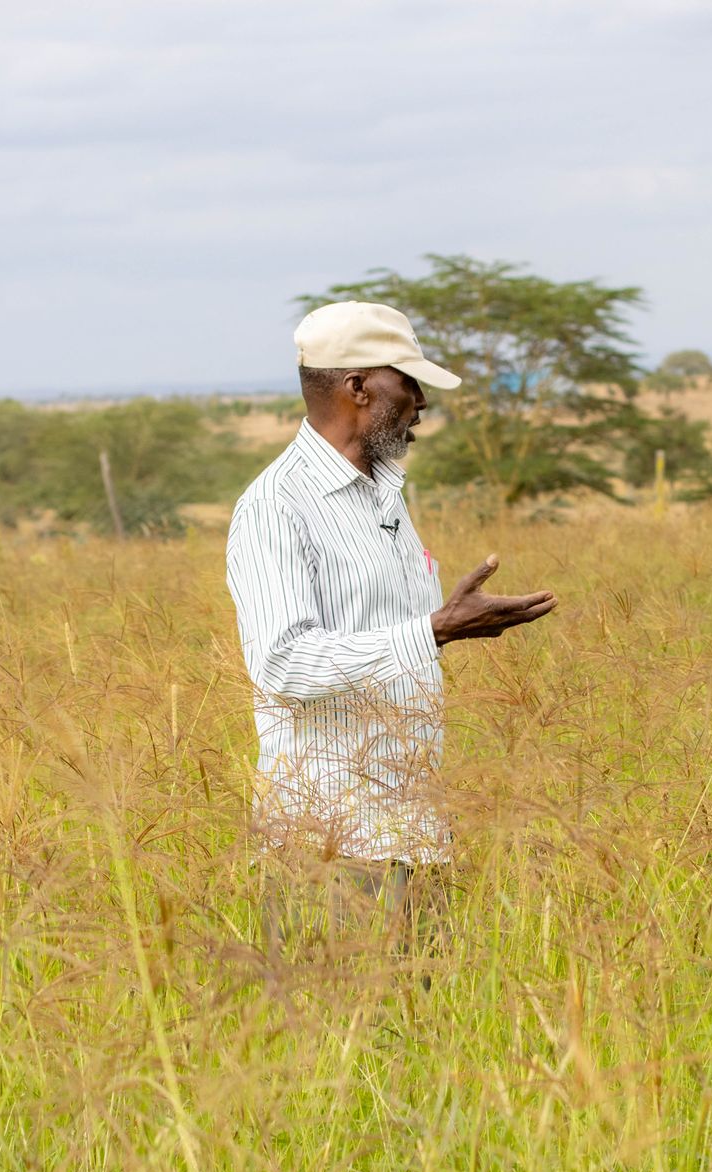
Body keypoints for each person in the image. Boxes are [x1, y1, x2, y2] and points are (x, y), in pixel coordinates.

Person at [225, 300, 557, 949]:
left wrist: (444, 628)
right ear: (357, 387)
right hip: (332, 847)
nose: (421, 402)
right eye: (408, 381)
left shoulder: (382, 494)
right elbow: (282, 663)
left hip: (412, 832)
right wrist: (432, 631)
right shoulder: (275, 508)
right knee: (336, 1036)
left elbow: (387, 639)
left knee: (414, 1037)